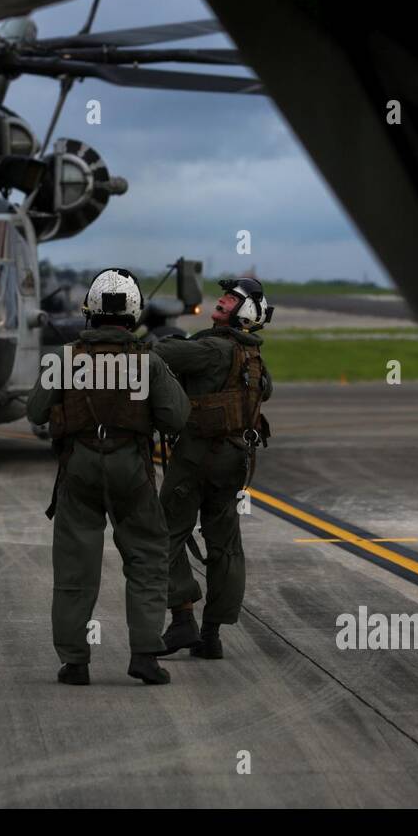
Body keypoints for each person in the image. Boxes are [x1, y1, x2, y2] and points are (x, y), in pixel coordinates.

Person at [26, 268, 190, 685]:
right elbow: (177, 416)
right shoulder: (148, 362)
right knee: (148, 558)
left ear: (90, 311)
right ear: (133, 313)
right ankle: (145, 655)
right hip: (131, 471)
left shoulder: (64, 358)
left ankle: (76, 662)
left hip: (78, 467)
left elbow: (35, 411)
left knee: (75, 567)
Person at [154, 277, 274, 660]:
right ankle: (211, 635)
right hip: (236, 460)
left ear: (244, 313)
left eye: (231, 299)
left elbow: (160, 354)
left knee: (164, 534)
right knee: (225, 545)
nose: (222, 301)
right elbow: (264, 391)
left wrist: (169, 339)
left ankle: (183, 619)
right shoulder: (254, 357)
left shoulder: (211, 349)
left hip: (196, 458)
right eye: (224, 297)